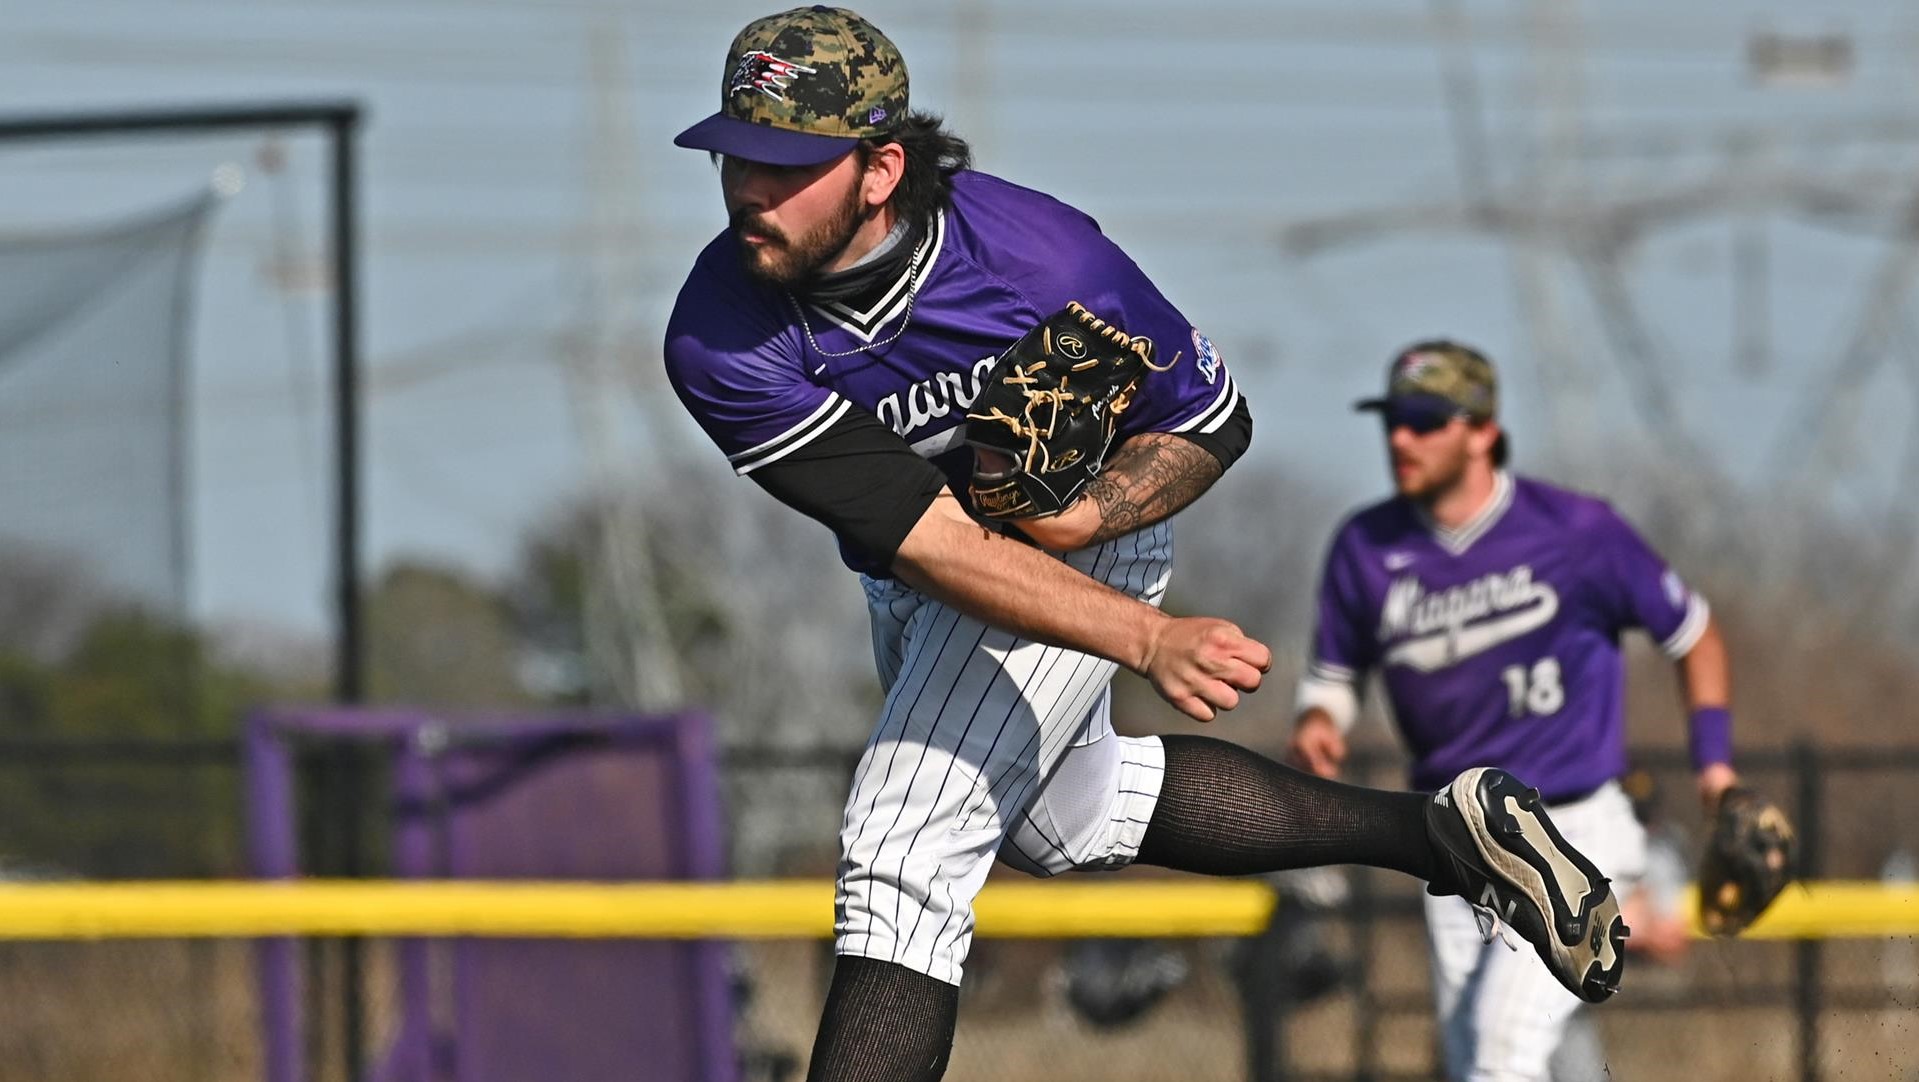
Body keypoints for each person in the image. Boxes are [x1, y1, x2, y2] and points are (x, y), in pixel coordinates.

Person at [666, 11, 1624, 1080]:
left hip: (1086, 543)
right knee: (1061, 823)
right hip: (939, 565)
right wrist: (1137, 638)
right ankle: (1441, 837)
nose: (747, 184)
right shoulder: (718, 334)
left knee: (903, 847)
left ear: (881, 166)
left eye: (785, 161)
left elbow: (1210, 419)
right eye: (734, 154)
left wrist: (1092, 531)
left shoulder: (1039, 259)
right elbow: (935, 545)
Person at [1286, 340, 1740, 1082]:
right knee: (1479, 1058)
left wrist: (1714, 765)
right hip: (1454, 837)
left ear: (1482, 430)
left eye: (1425, 419)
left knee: (1502, 1051)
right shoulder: (1365, 547)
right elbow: (1332, 676)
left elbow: (1695, 636)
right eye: (1393, 419)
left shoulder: (1577, 531)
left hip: (1575, 830)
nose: (1400, 437)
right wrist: (1317, 721)